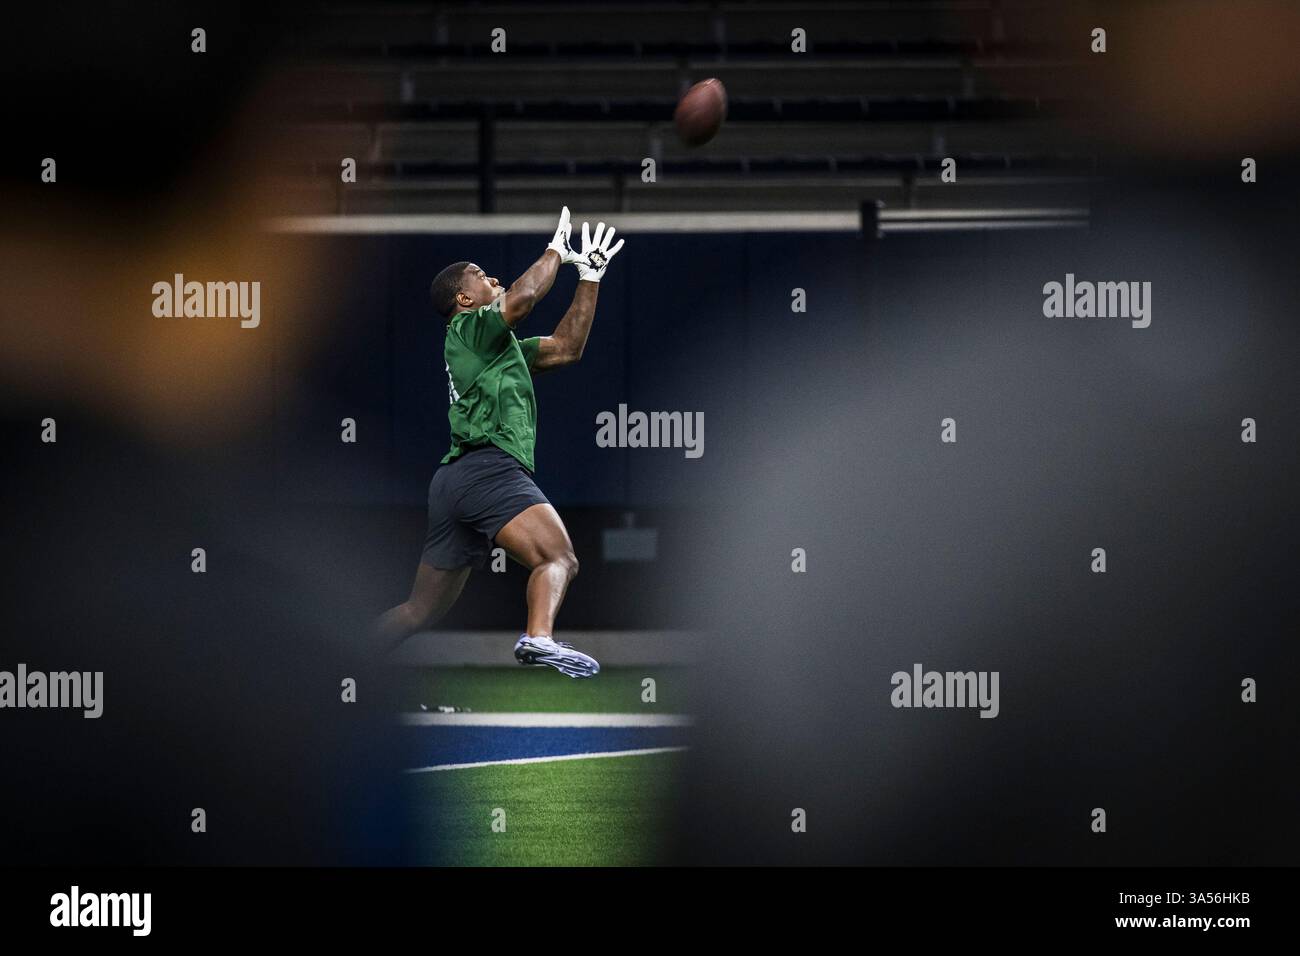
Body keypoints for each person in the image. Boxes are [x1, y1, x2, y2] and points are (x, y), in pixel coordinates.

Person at [372, 207, 624, 678]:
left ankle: (329, 674)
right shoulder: (467, 329)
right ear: (465, 298)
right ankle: (538, 638)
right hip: (488, 468)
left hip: (455, 481)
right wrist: (555, 250)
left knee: (417, 612)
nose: (495, 278)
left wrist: (588, 276)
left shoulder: (496, 348)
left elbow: (567, 348)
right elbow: (525, 296)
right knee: (557, 557)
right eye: (482, 276)